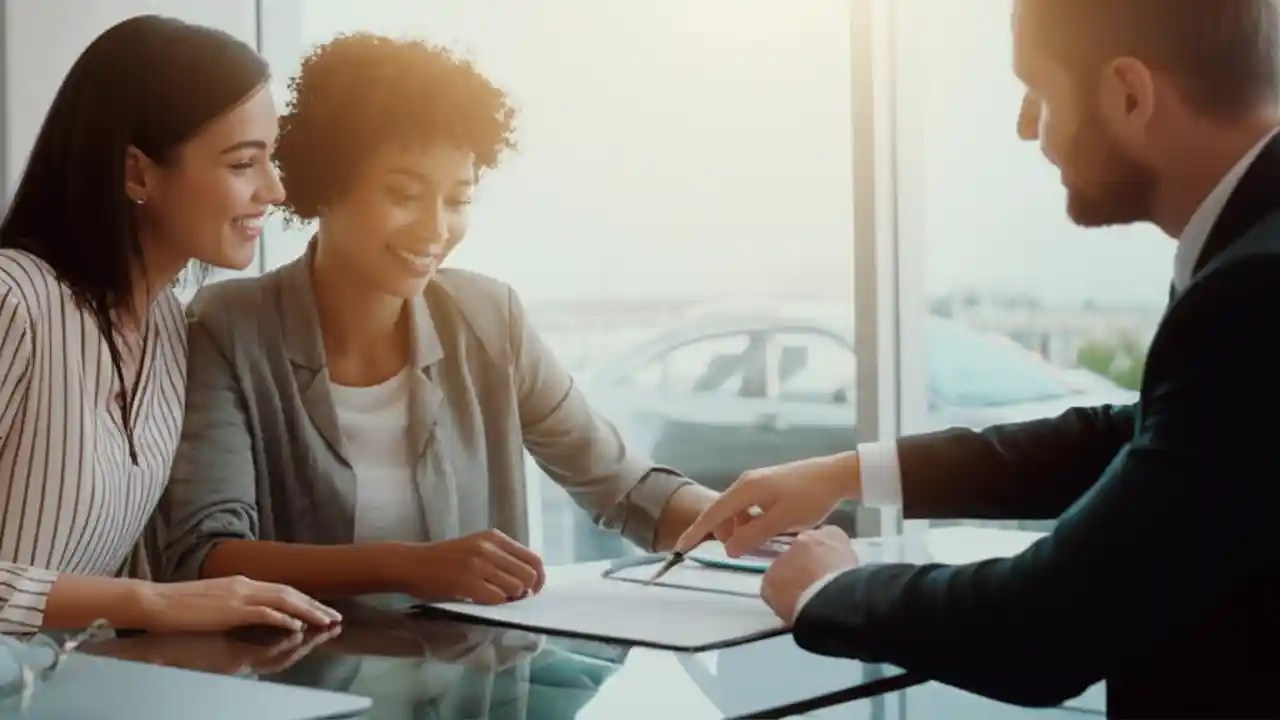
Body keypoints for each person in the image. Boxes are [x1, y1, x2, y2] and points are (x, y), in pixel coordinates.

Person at [678, 1, 1280, 717]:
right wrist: (844, 473)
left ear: (1129, 94)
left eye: (1039, 93)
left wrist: (827, 589)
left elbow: (1049, 628)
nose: (1027, 127)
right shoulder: (1252, 260)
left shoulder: (1255, 290)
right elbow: (1135, 438)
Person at [157, 33, 717, 604]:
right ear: (326, 186)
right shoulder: (229, 326)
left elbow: (624, 489)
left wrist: (748, 527)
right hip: (301, 681)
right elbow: (206, 556)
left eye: (457, 200)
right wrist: (406, 567)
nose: (435, 229)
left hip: (474, 683)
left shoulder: (489, 318)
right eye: (404, 194)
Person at [0, 15, 341, 634]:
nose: (277, 189)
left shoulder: (168, 326)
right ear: (137, 173)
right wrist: (149, 603)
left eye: (272, 160)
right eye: (244, 163)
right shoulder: (13, 300)